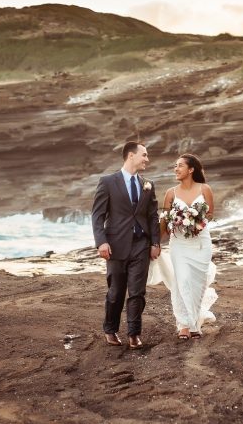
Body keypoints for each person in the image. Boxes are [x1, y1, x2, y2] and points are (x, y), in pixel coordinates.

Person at [92, 141, 161, 349]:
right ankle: (110, 329)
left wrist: (155, 242)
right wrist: (101, 242)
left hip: (141, 244)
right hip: (115, 245)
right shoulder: (107, 182)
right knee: (116, 292)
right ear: (131, 156)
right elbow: (98, 215)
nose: (147, 159)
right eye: (144, 155)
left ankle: (134, 333)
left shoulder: (148, 184)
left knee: (137, 292)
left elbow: (152, 216)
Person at [154, 153, 217, 340]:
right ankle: (183, 325)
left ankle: (194, 323)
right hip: (179, 244)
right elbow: (165, 221)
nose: (176, 169)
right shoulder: (170, 193)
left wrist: (196, 221)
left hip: (201, 243)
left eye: (180, 166)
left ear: (191, 169)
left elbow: (211, 214)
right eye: (175, 165)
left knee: (197, 282)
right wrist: (155, 242)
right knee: (182, 281)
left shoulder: (205, 189)